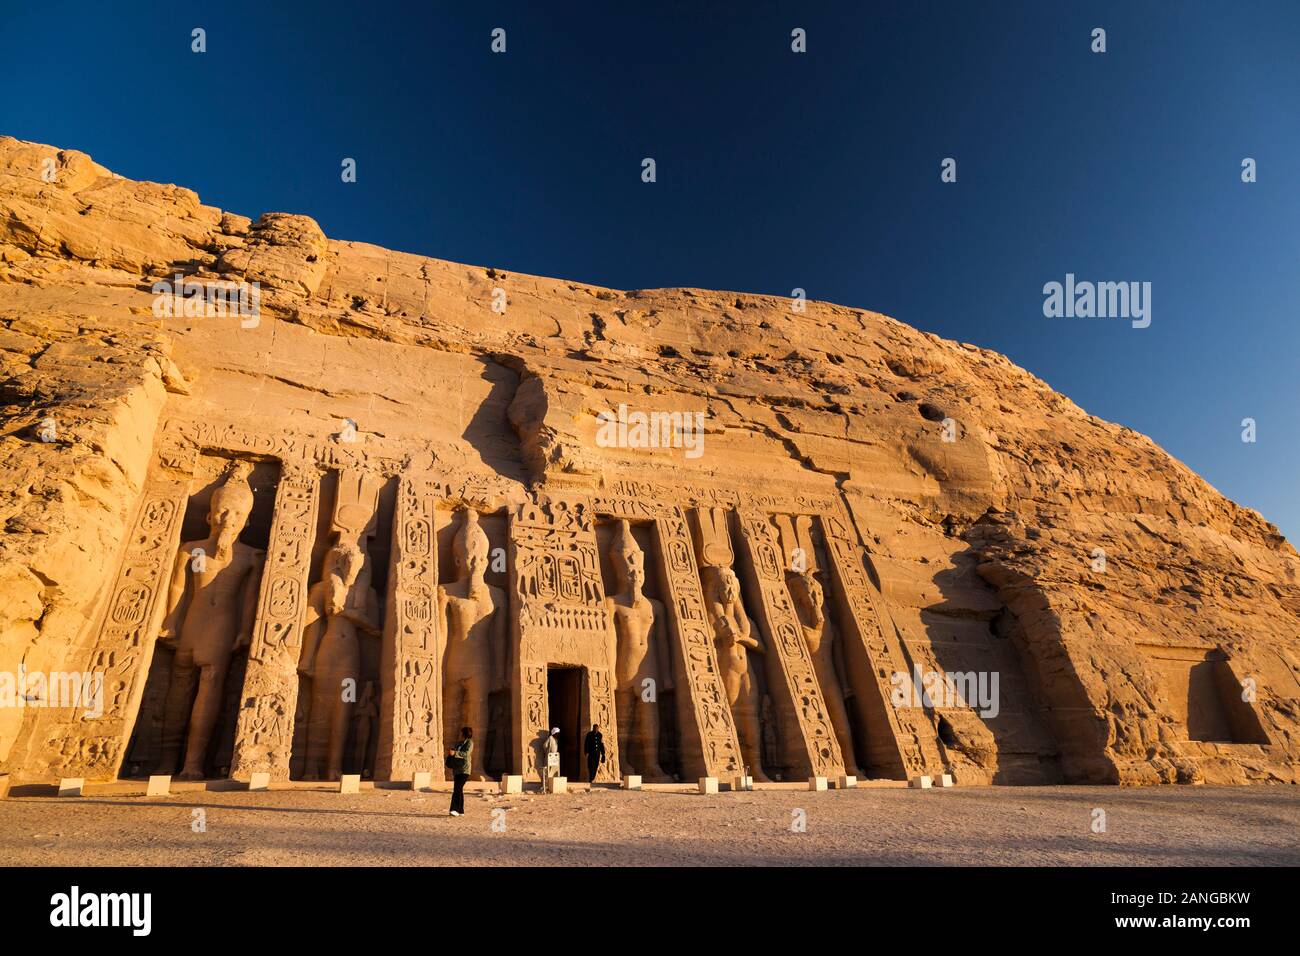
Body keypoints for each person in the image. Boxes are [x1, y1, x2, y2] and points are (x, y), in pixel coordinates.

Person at [447, 726, 473, 816]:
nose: (460, 735)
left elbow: (467, 753)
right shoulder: (458, 744)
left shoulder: (469, 742)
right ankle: (461, 811)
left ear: (464, 734)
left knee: (457, 790)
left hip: (464, 769)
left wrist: (456, 753)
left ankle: (454, 809)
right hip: (457, 770)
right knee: (459, 790)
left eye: (461, 733)